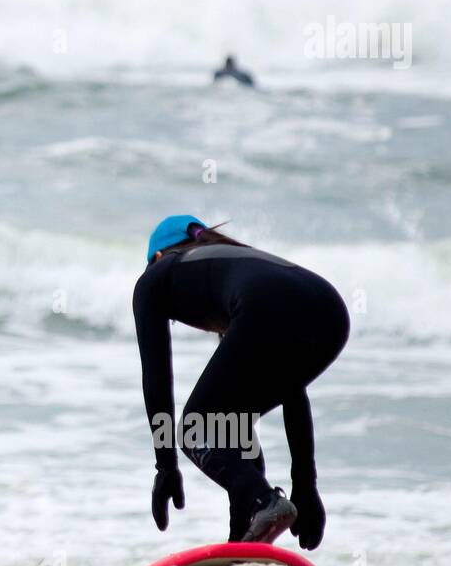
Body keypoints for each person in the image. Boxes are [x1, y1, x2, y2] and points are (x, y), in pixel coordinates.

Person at [132, 215, 349, 547]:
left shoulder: (156, 275)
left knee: (196, 428)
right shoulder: (240, 267)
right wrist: (305, 485)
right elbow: (291, 387)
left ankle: (266, 504)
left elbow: (157, 378)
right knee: (231, 422)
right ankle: (244, 535)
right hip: (330, 312)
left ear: (158, 256)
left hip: (270, 308)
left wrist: (165, 467)